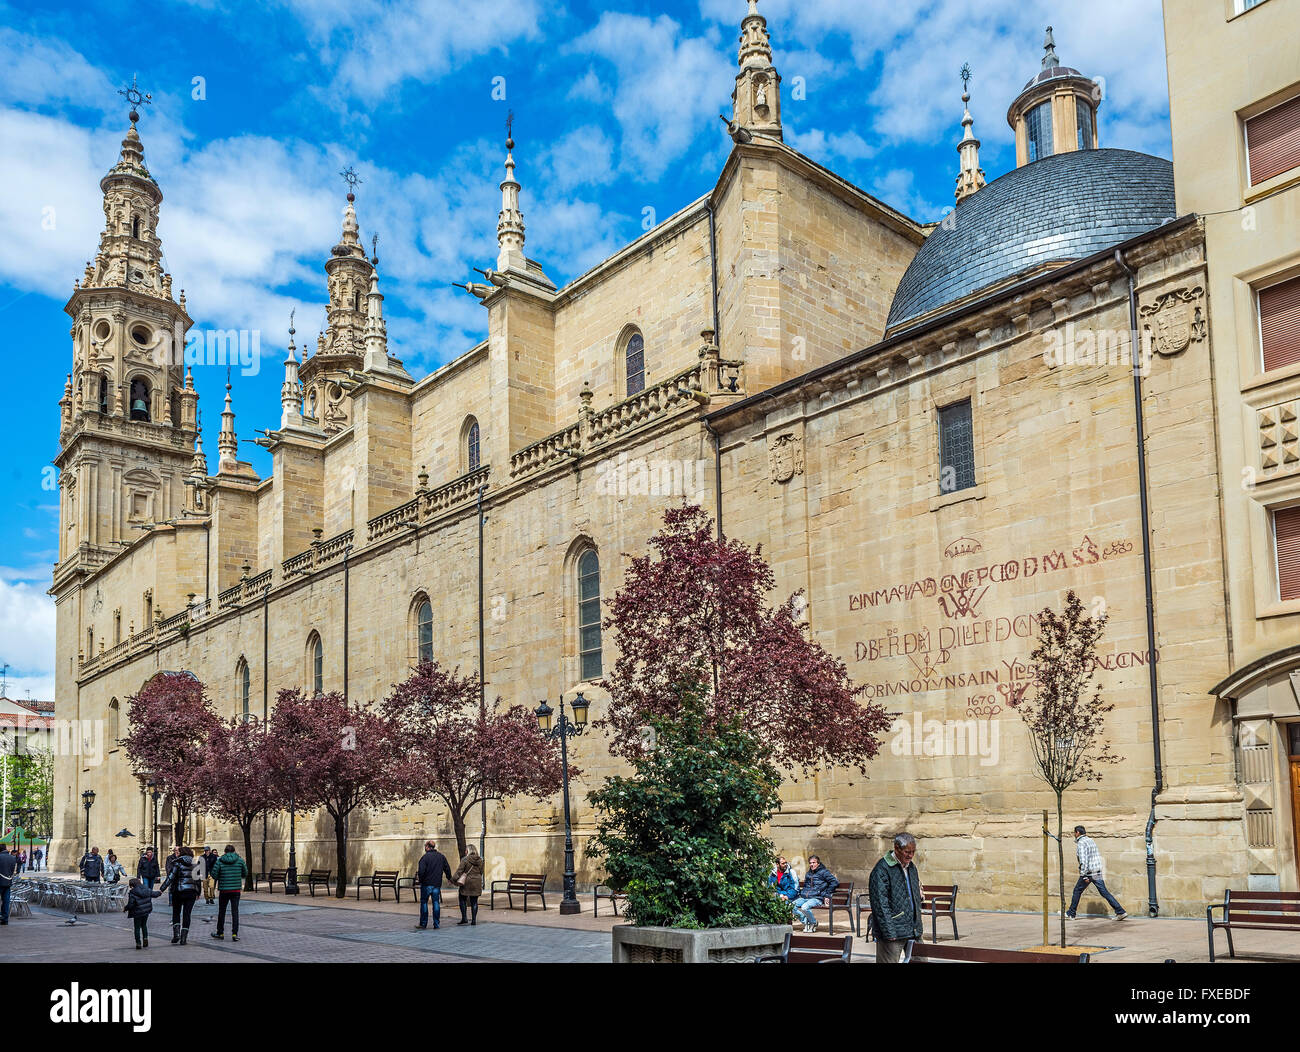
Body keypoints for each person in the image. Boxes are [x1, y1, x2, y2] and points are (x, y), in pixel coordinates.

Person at [868, 832, 924, 962]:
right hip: (892, 930)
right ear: (897, 848)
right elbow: (880, 904)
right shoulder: (881, 869)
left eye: (913, 851)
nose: (911, 855)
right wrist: (888, 931)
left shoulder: (912, 867)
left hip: (913, 929)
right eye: (907, 852)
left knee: (921, 960)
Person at [1065, 826, 1127, 921]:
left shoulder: (1081, 843)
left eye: (1074, 833)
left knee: (1077, 891)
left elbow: (1083, 859)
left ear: (1077, 832)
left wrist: (1084, 874)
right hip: (1096, 871)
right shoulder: (1091, 840)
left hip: (1088, 873)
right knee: (1104, 892)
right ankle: (1120, 912)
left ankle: (1071, 914)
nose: (1074, 835)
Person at [157, 845, 200, 944]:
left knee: (176, 913)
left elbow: (170, 878)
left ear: (182, 853)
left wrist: (161, 889)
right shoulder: (195, 864)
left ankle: (176, 935)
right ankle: (184, 938)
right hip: (191, 892)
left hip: (178, 891)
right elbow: (198, 880)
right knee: (187, 914)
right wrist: (198, 892)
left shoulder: (177, 863)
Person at [790, 855, 838, 932]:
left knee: (805, 907)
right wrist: (802, 893)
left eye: (813, 862)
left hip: (817, 897)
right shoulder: (808, 873)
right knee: (791, 906)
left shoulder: (824, 872)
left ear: (818, 863)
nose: (811, 864)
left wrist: (827, 895)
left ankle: (813, 923)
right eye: (810, 863)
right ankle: (807, 922)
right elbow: (806, 886)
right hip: (805, 897)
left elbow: (834, 882)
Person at [210, 844, 248, 941]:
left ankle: (220, 932)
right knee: (235, 912)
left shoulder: (220, 861)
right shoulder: (240, 860)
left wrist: (221, 877)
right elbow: (245, 873)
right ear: (234, 851)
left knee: (222, 912)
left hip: (224, 890)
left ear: (225, 852)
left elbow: (214, 874)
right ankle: (235, 934)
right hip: (236, 890)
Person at [414, 839, 452, 930]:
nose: (424, 848)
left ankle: (423, 923)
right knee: (436, 903)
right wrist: (449, 877)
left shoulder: (425, 858)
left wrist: (421, 880)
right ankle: (436, 924)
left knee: (424, 903)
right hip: (436, 884)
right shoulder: (441, 857)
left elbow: (421, 871)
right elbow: (447, 868)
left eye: (425, 846)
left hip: (426, 884)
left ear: (427, 847)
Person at [123, 877, 162, 949]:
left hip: (137, 912)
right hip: (146, 911)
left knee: (137, 927)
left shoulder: (133, 892)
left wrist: (126, 908)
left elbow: (131, 904)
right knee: (144, 925)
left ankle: (138, 943)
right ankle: (145, 939)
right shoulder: (146, 889)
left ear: (132, 885)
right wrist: (159, 892)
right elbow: (154, 894)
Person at [453, 845, 484, 926]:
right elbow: (481, 871)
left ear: (468, 851)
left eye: (466, 850)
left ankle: (464, 918)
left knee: (462, 899)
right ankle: (474, 920)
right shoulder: (480, 860)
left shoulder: (465, 859)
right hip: (476, 882)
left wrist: (453, 879)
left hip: (466, 882)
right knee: (474, 901)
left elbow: (459, 871)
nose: (465, 852)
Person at [0, 844, 16, 926]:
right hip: (8, 882)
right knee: (6, 901)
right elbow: (13, 870)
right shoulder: (12, 858)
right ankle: (5, 919)